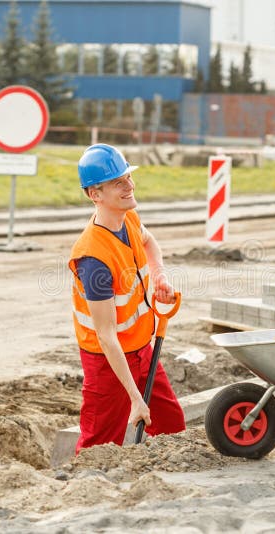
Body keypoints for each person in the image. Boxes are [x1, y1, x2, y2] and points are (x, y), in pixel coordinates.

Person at [68, 143, 185, 453]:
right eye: (119, 182)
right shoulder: (93, 258)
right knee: (99, 444)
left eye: (128, 178)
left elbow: (150, 243)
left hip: (141, 349)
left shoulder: (128, 219)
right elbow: (106, 337)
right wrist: (135, 398)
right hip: (107, 363)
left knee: (172, 424)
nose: (130, 186)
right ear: (95, 194)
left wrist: (159, 275)